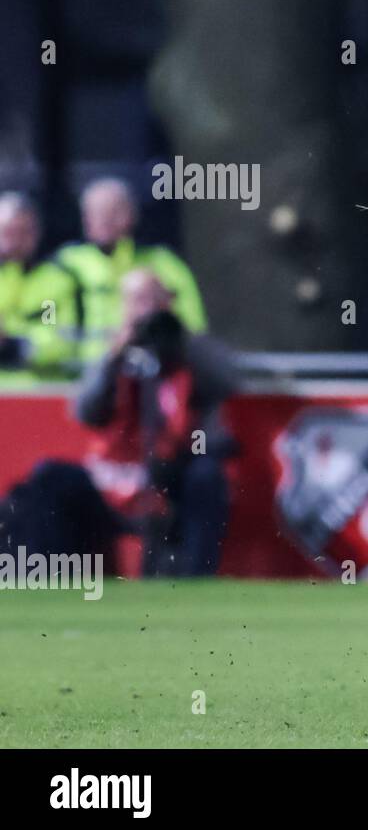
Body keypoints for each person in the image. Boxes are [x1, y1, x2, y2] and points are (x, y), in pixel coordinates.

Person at [0, 269, 238, 576]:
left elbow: (228, 379)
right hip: (114, 473)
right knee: (50, 478)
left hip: (172, 470)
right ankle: (52, 578)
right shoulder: (113, 350)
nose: (147, 307)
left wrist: (179, 339)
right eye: (138, 300)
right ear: (124, 306)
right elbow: (85, 410)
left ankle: (195, 582)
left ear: (168, 300)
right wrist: (116, 352)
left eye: (154, 298)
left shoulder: (188, 347)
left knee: (206, 476)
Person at [56, 177, 207, 364]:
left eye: (114, 211)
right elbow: (47, 316)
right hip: (82, 374)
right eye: (96, 212)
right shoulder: (64, 264)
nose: (105, 219)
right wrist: (50, 343)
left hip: (150, 370)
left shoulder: (163, 263)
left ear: (132, 214)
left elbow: (193, 326)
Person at [0, 191, 80, 387]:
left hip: (38, 388)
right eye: (7, 232)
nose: (13, 241)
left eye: (22, 232)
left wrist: (13, 345)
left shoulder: (53, 282)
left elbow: (55, 338)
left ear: (36, 233)